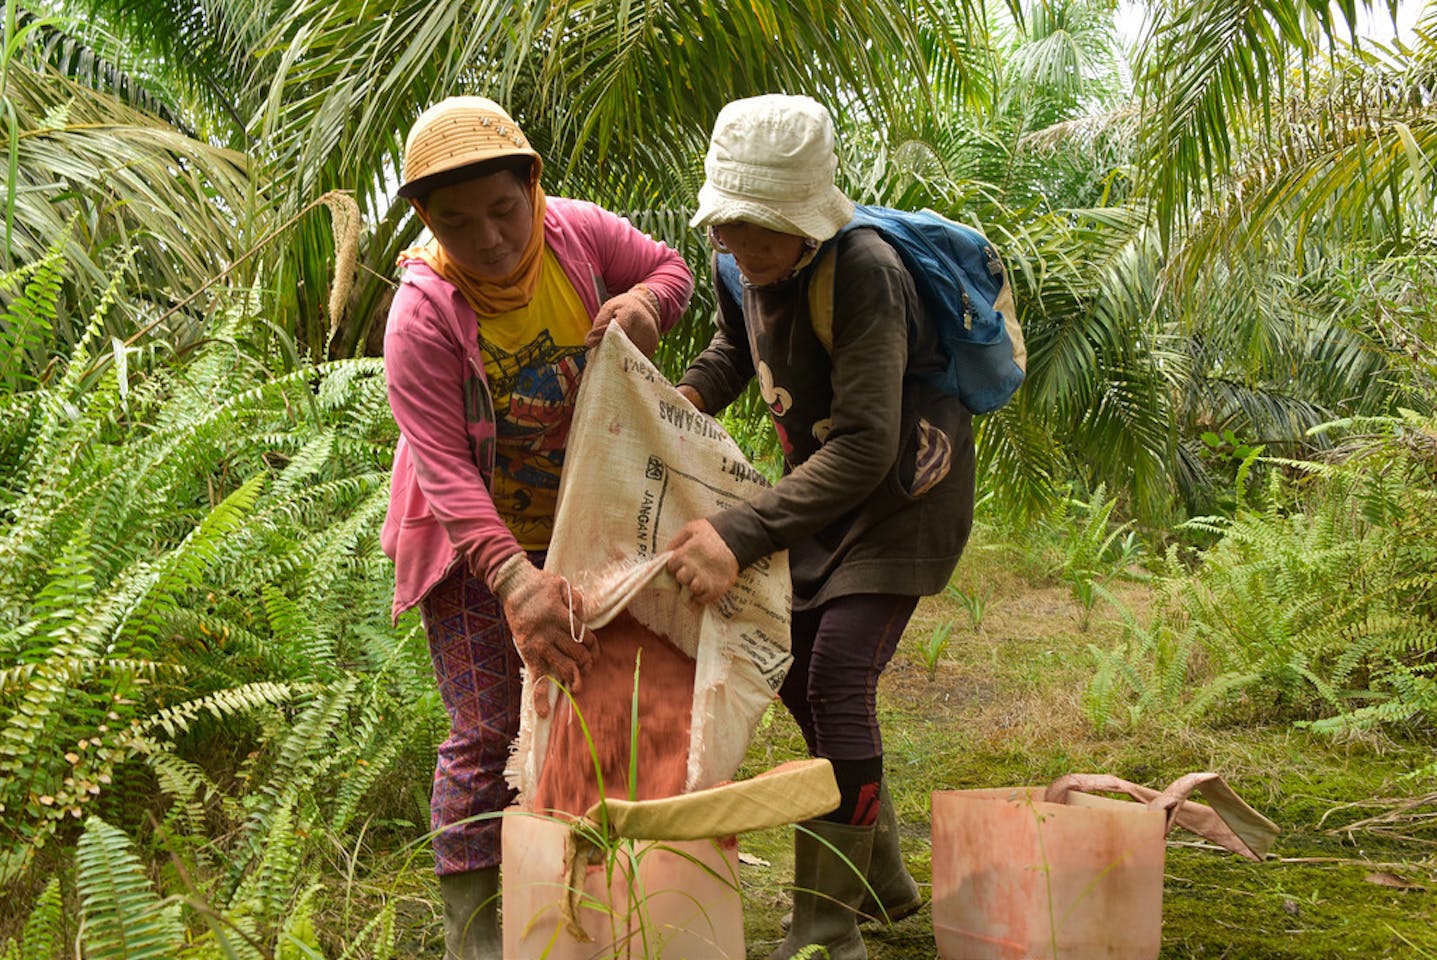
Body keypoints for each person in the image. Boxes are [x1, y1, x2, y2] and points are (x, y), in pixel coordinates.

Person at [379, 95, 693, 960]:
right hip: (469, 549)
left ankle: (588, 912)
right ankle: (475, 935)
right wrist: (515, 582)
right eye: (456, 221)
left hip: (582, 523)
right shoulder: (422, 317)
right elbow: (443, 471)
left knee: (595, 708)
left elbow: (670, 267)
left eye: (503, 210)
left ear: (534, 186)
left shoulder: (579, 236)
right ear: (424, 220)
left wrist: (644, 307)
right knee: (485, 732)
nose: (487, 238)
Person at [666, 93, 975, 960]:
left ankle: (827, 930)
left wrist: (740, 530)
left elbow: (870, 445)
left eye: (766, 229)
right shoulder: (739, 262)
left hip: (904, 496)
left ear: (809, 218)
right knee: (801, 680)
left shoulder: (865, 270)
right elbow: (739, 351)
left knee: (836, 676)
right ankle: (881, 880)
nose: (746, 247)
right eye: (730, 227)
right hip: (819, 495)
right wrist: (680, 401)